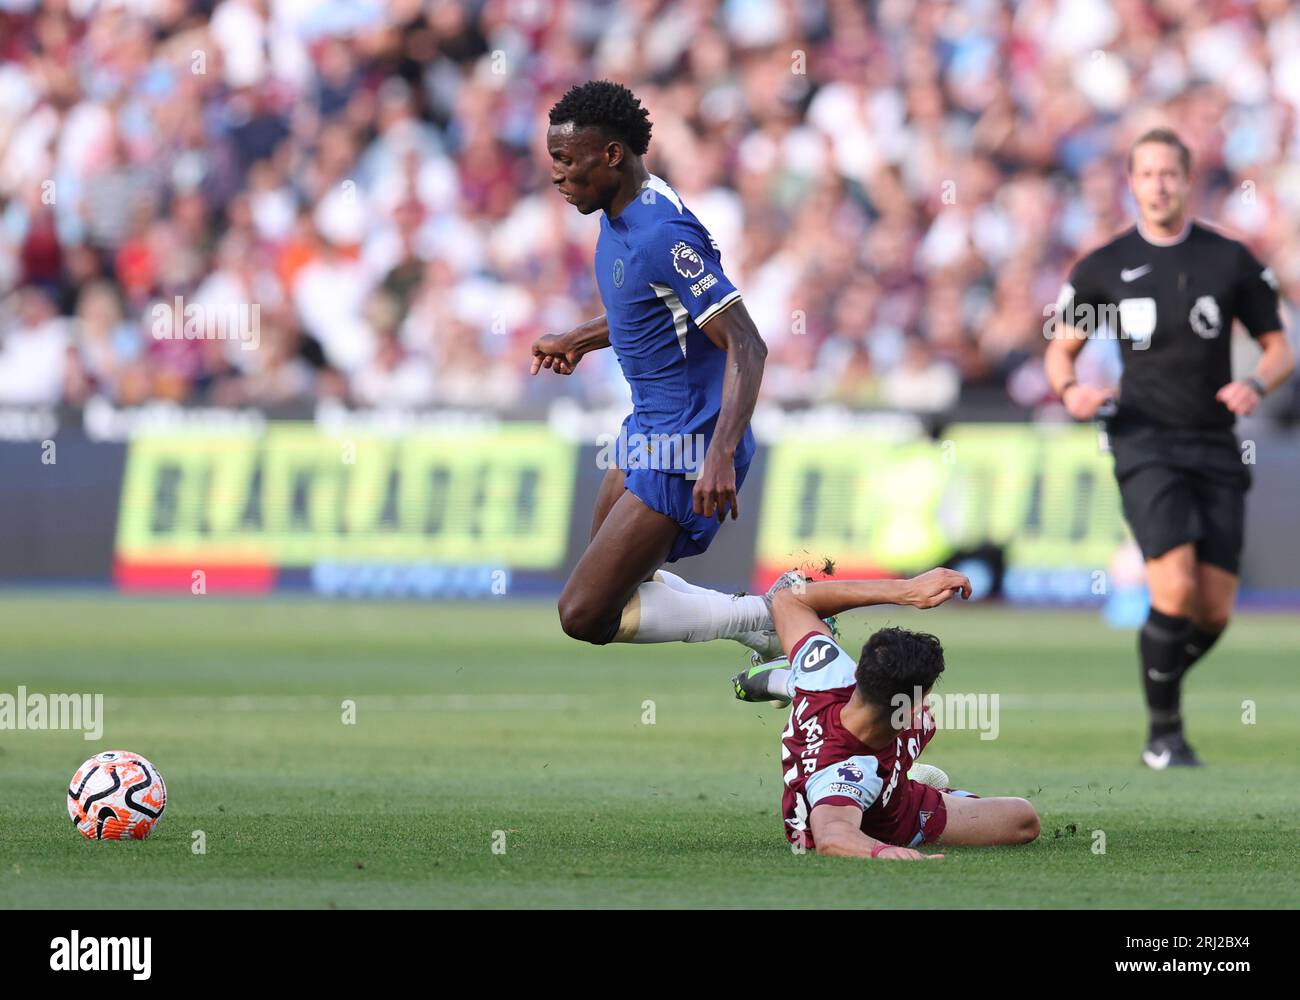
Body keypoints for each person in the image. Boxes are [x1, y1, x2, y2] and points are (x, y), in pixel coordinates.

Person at [1044, 128, 1294, 768]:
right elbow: (1060, 348)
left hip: (1215, 443)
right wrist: (1071, 391)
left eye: (1170, 174)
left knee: (1213, 611)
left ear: (1188, 181)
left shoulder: (1228, 260)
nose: (1158, 185)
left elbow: (1279, 349)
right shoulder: (1105, 266)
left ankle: (1160, 682)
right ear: (1131, 183)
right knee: (1175, 589)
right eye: (1147, 174)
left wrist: (1254, 384)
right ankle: (1164, 735)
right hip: (1142, 438)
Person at [531, 80, 779, 654]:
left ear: (612, 154)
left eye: (567, 161)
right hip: (647, 426)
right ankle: (763, 620)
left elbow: (747, 342)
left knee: (585, 614)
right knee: (617, 590)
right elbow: (654, 308)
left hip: (690, 438)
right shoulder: (621, 207)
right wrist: (580, 337)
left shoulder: (663, 233)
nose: (557, 175)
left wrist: (718, 452)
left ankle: (765, 616)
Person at [739, 568, 1039, 860]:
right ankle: (787, 683)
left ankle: (788, 681)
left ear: (858, 671)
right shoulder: (851, 773)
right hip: (896, 816)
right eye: (924, 697)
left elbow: (788, 599)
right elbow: (832, 837)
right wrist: (885, 851)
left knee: (920, 721)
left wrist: (906, 590)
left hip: (863, 732)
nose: (926, 703)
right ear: (905, 709)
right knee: (1022, 819)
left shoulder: (828, 673)